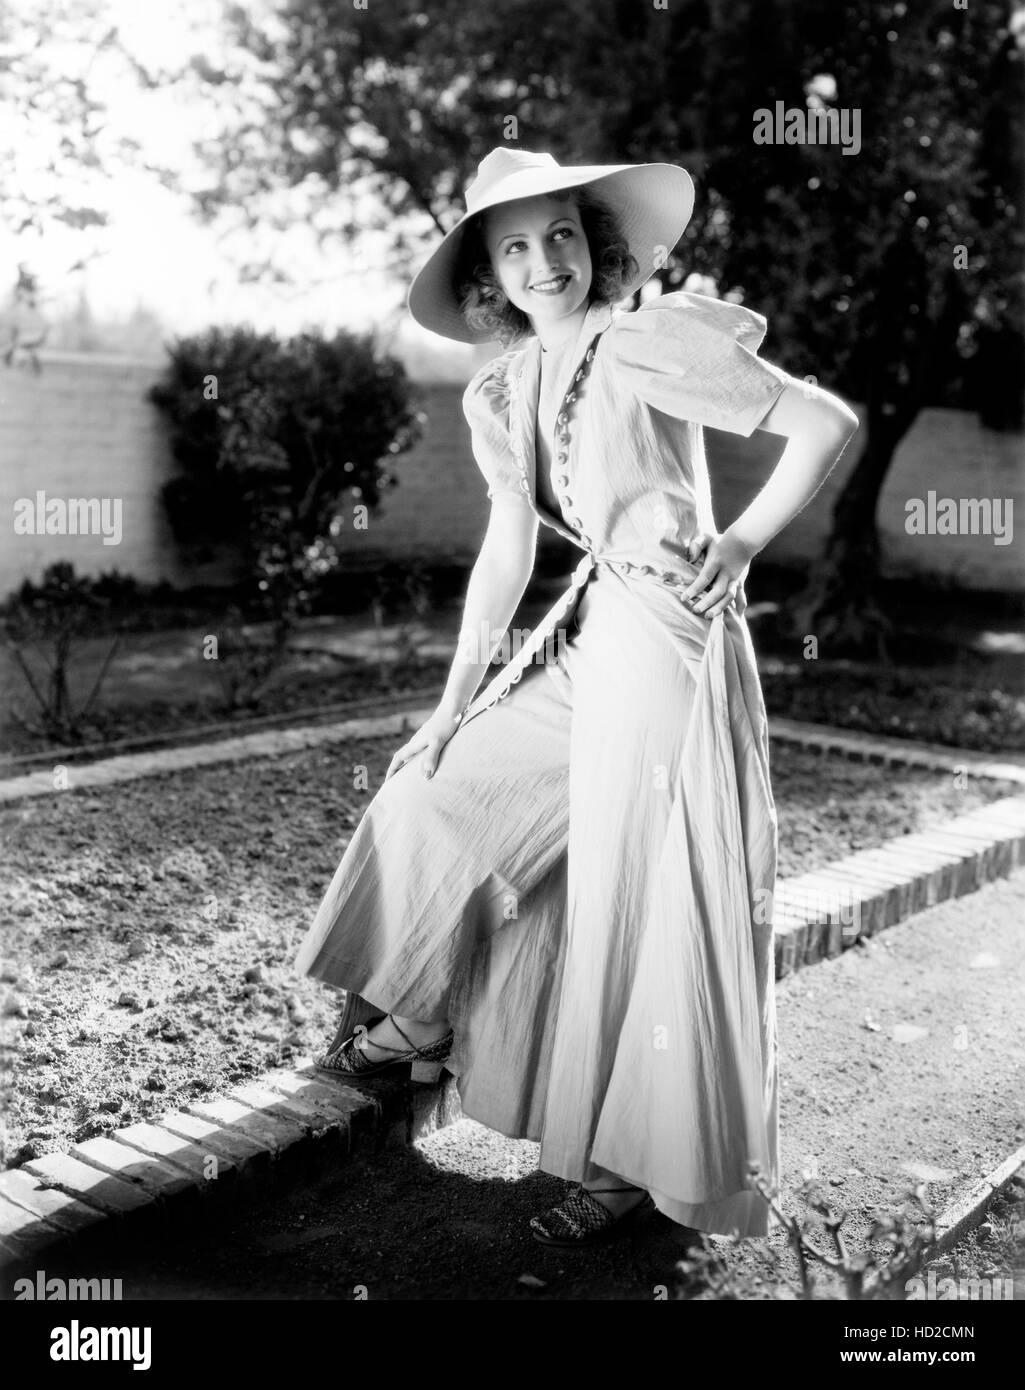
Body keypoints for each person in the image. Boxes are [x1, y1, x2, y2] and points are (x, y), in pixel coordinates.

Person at [293, 147, 859, 1250]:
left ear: (591, 244)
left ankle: (620, 1168)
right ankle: (416, 1025)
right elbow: (507, 553)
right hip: (597, 637)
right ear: (487, 276)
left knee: (630, 902)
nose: (542, 261)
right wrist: (453, 700)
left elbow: (822, 426)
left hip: (669, 650)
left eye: (559, 235)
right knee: (438, 789)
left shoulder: (645, 341)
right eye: (513, 246)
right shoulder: (500, 388)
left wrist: (740, 543)